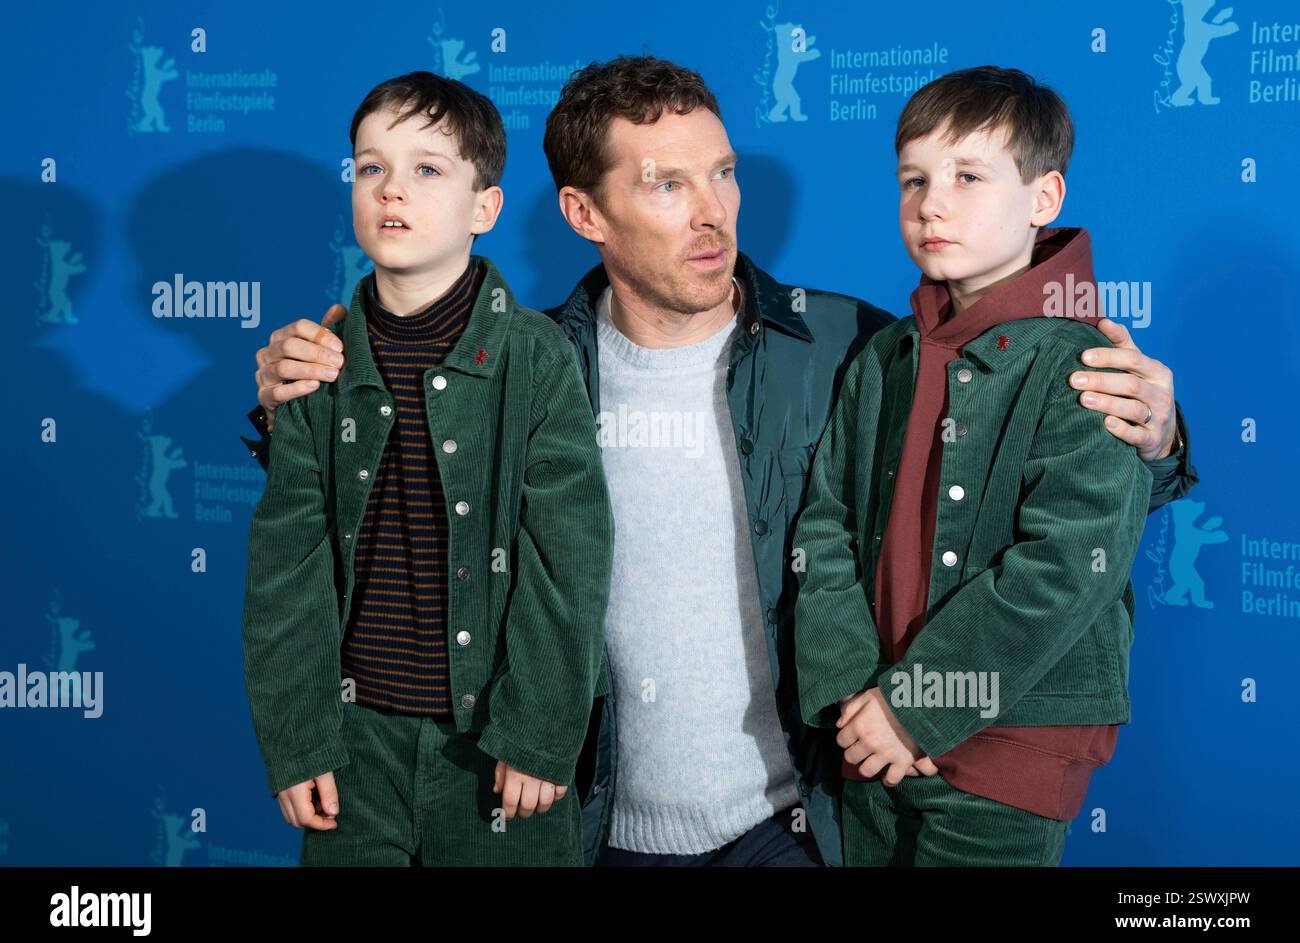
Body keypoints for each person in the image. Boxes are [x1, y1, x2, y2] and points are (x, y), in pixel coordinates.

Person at [241, 57, 1196, 867]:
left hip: (798, 827)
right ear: (584, 212)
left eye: (724, 174)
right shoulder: (519, 365)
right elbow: (386, 509)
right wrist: (289, 402)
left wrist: (1159, 438)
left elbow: (1035, 505)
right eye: (666, 185)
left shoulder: (851, 345)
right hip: (583, 817)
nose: (713, 214)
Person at [241, 70, 613, 866]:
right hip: (353, 751)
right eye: (371, 167)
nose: (391, 190)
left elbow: (568, 563)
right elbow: (287, 569)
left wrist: (542, 731)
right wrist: (298, 738)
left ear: (486, 207)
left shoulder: (538, 360)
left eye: (427, 169)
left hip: (494, 747)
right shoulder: (318, 364)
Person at [794, 66, 1157, 866]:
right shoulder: (885, 356)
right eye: (913, 179)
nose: (932, 202)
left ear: (1044, 199)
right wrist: (859, 697)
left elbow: (1063, 568)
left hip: (1009, 749)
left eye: (968, 176)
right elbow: (825, 528)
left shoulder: (1091, 366)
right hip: (875, 734)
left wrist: (919, 706)